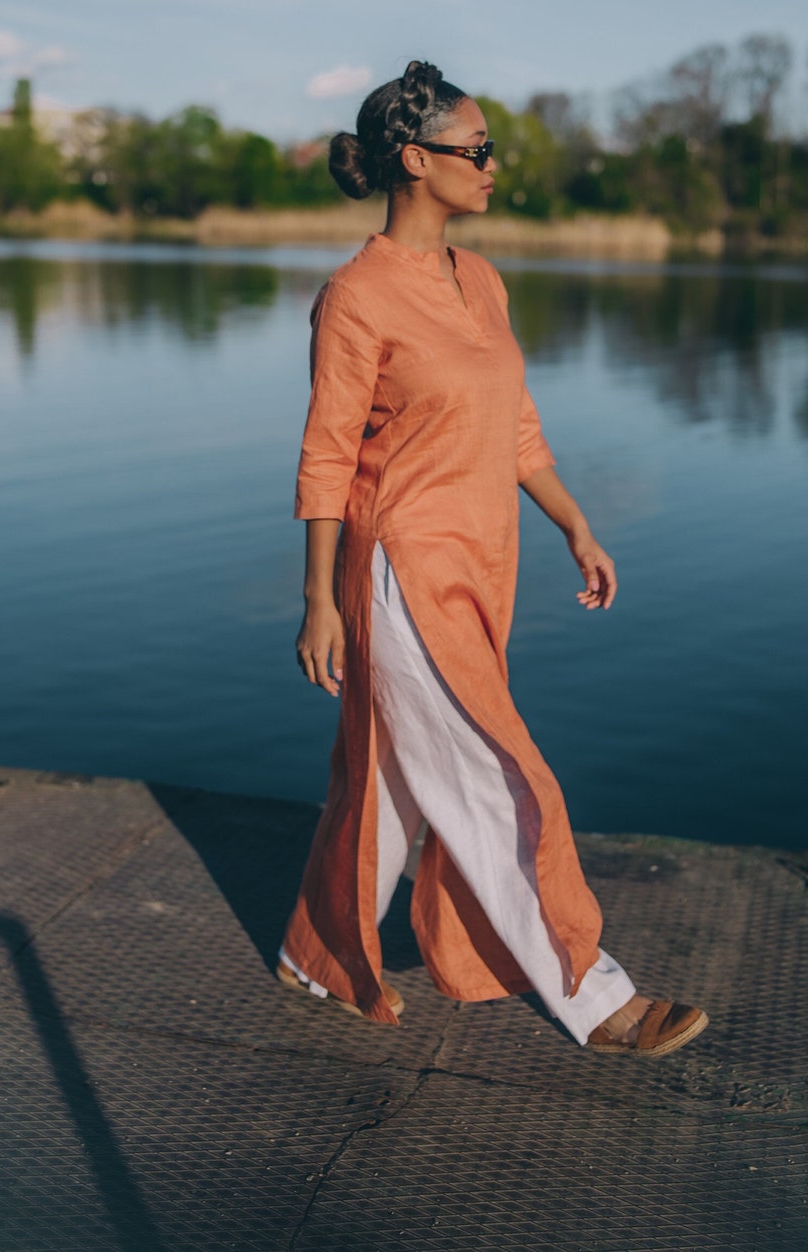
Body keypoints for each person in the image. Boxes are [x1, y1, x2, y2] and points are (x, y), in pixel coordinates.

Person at [279, 60, 707, 1057]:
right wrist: (318, 598)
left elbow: (514, 427)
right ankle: (593, 993)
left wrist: (575, 522)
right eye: (477, 150)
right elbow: (328, 455)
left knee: (389, 773)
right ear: (416, 161)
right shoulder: (355, 297)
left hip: (487, 564)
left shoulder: (482, 278)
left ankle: (317, 953)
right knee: (498, 774)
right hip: (402, 574)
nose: (494, 165)